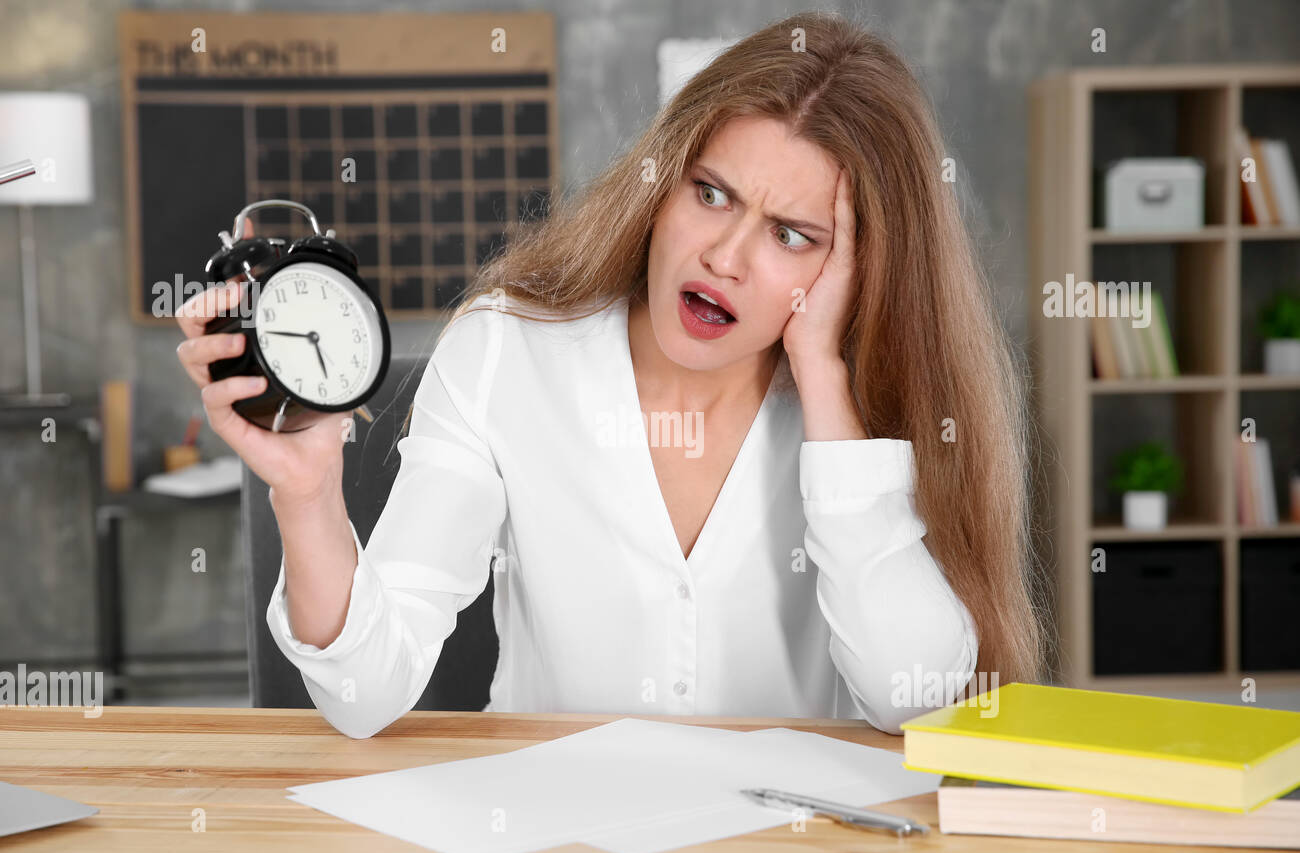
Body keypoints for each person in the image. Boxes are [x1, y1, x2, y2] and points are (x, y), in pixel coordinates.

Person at [173, 11, 1046, 739]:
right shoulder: (508, 349)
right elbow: (365, 694)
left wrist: (822, 377)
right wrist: (308, 491)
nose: (725, 257)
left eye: (791, 235)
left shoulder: (878, 398)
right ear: (661, 187)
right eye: (711, 193)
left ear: (859, 269)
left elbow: (916, 703)